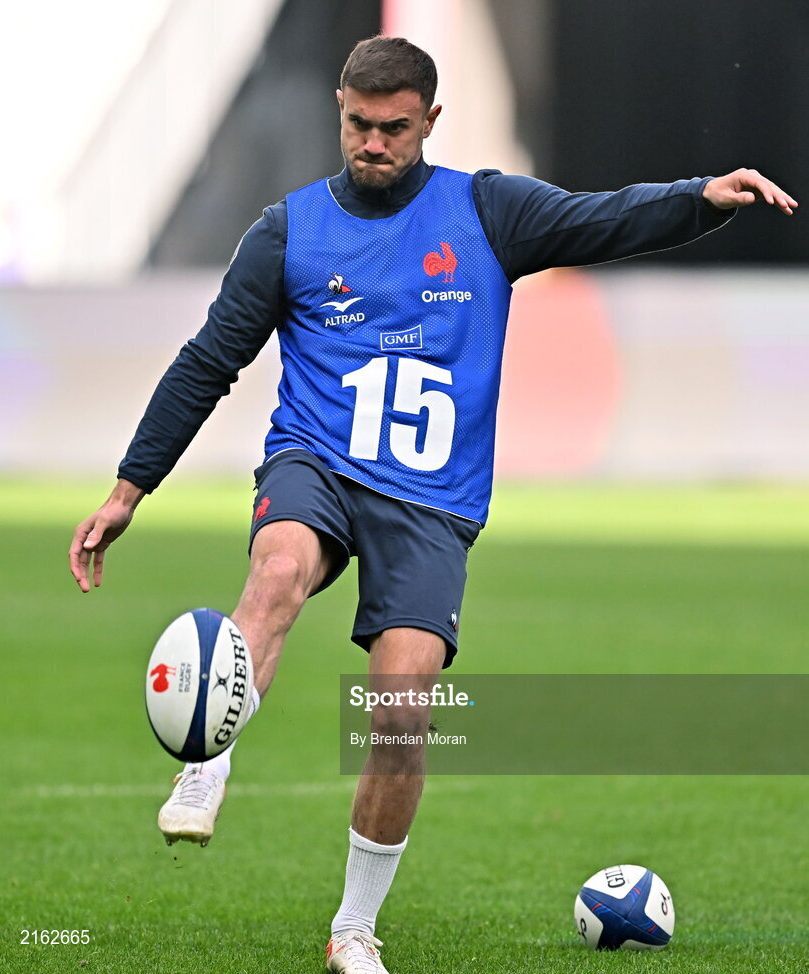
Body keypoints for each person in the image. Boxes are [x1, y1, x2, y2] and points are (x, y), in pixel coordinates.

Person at [69, 35, 796, 974]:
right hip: (317, 458)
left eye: (394, 128)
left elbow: (601, 218)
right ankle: (208, 758)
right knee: (278, 570)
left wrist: (699, 198)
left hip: (431, 499)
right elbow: (209, 360)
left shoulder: (486, 212)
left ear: (430, 121)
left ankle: (352, 929)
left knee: (403, 711)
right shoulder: (288, 231)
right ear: (339, 111)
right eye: (358, 125)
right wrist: (130, 487)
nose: (373, 144)